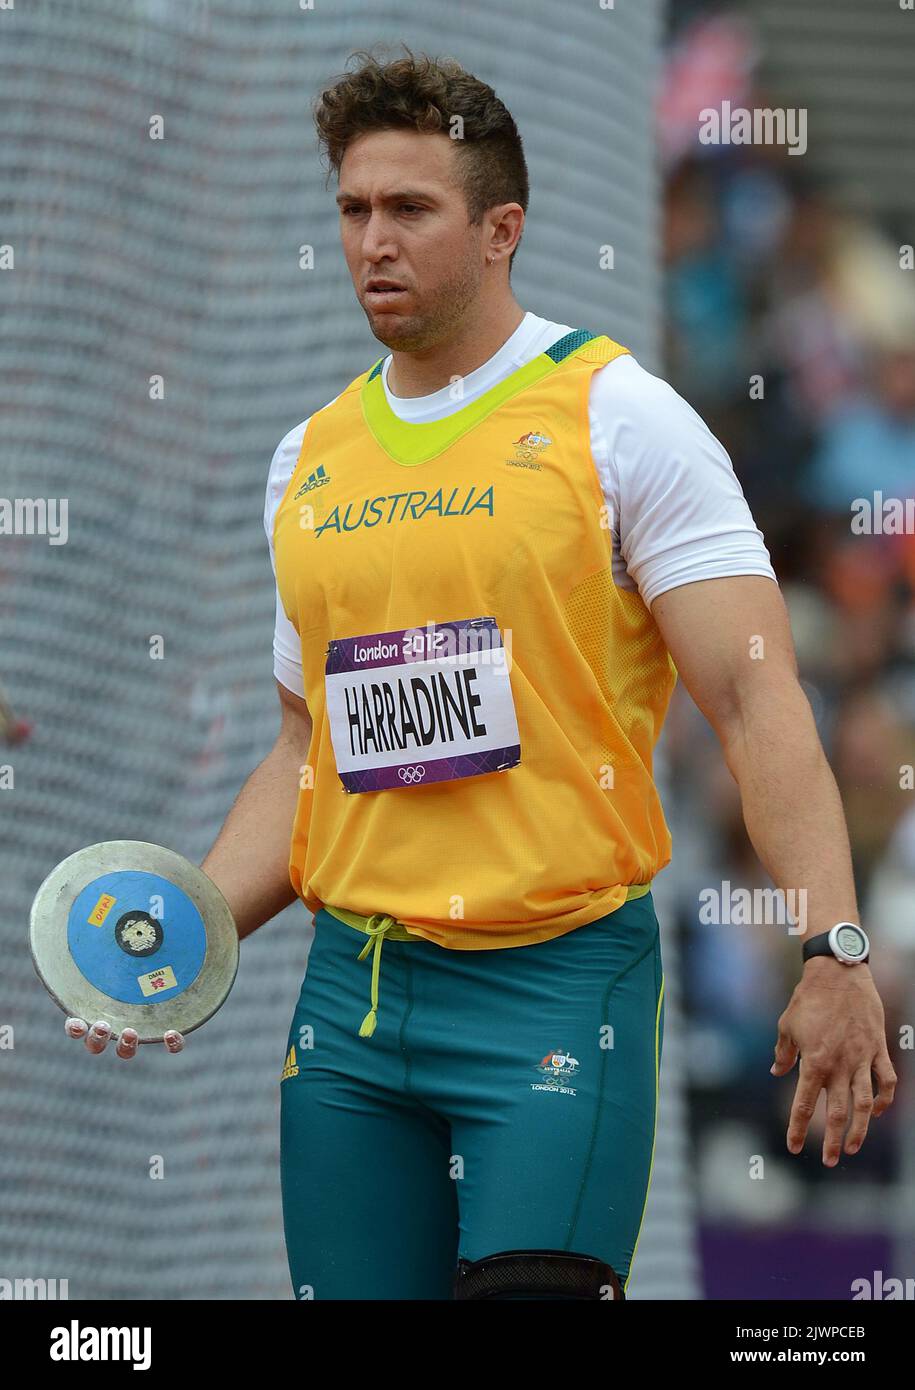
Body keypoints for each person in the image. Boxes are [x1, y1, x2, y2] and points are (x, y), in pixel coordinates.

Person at [68, 47, 896, 1302]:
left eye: (411, 209)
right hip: (354, 1003)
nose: (372, 243)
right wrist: (182, 940)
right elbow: (307, 757)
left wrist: (833, 948)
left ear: (502, 227)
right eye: (352, 210)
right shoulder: (310, 458)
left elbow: (754, 697)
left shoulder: (620, 418)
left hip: (558, 985)